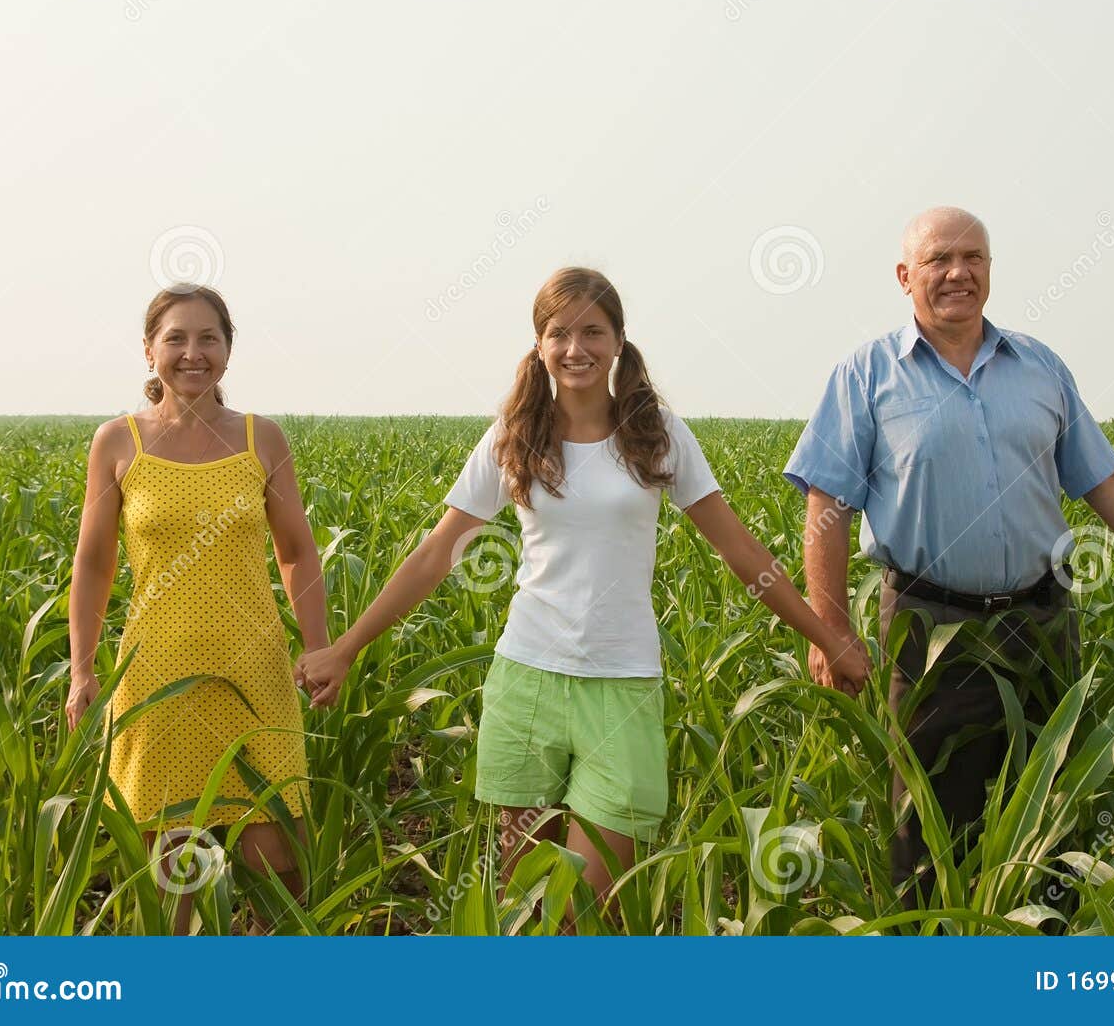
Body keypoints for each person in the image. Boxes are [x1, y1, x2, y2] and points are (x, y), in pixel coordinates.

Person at [295, 266, 871, 927]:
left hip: (622, 686)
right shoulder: (513, 436)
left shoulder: (656, 434)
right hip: (528, 679)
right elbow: (434, 555)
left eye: (592, 331)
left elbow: (739, 550)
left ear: (619, 340)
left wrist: (828, 638)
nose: (576, 348)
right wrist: (345, 648)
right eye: (559, 332)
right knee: (524, 907)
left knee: (591, 912)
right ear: (539, 344)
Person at [785, 206, 1114, 907]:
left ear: (991, 271)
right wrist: (828, 627)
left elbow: (1108, 482)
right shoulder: (866, 376)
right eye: (939, 260)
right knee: (932, 831)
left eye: (973, 258)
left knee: (1052, 823)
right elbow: (826, 506)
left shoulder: (1038, 367)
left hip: (1041, 621)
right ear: (904, 276)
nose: (957, 273)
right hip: (929, 628)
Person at [65, 284, 327, 934]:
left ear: (228, 350)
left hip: (256, 680)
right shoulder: (117, 443)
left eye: (208, 338)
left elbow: (296, 552)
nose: (192, 353)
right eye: (176, 338)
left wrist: (318, 645)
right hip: (157, 686)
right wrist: (81, 669)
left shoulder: (261, 439)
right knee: (173, 888)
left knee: (278, 875)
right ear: (149, 350)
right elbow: (94, 565)